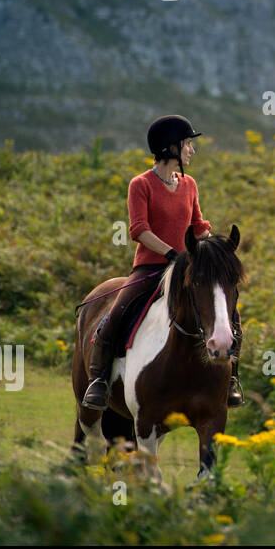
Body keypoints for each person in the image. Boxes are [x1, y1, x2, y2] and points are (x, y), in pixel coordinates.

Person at [83, 115, 243, 408]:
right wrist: (171, 254)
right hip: (150, 268)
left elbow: (197, 225)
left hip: (187, 270)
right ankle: (99, 380)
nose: (192, 150)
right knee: (114, 317)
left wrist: (209, 247)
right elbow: (139, 229)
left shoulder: (189, 184)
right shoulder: (140, 184)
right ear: (170, 148)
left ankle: (231, 380)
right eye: (187, 144)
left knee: (231, 314)